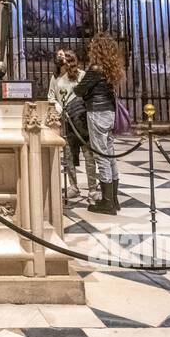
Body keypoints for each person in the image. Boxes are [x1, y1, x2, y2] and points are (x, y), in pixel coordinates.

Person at [72, 35, 125, 215]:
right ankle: (114, 199)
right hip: (109, 113)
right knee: (110, 155)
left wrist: (81, 90)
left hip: (96, 112)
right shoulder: (111, 69)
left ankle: (107, 202)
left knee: (101, 156)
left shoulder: (95, 69)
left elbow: (78, 90)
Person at [47, 49, 96, 203]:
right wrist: (56, 104)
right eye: (58, 55)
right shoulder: (55, 77)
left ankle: (93, 189)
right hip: (66, 120)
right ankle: (74, 186)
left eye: (62, 55)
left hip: (81, 119)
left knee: (88, 154)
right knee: (68, 155)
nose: (59, 57)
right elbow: (50, 96)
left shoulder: (80, 75)